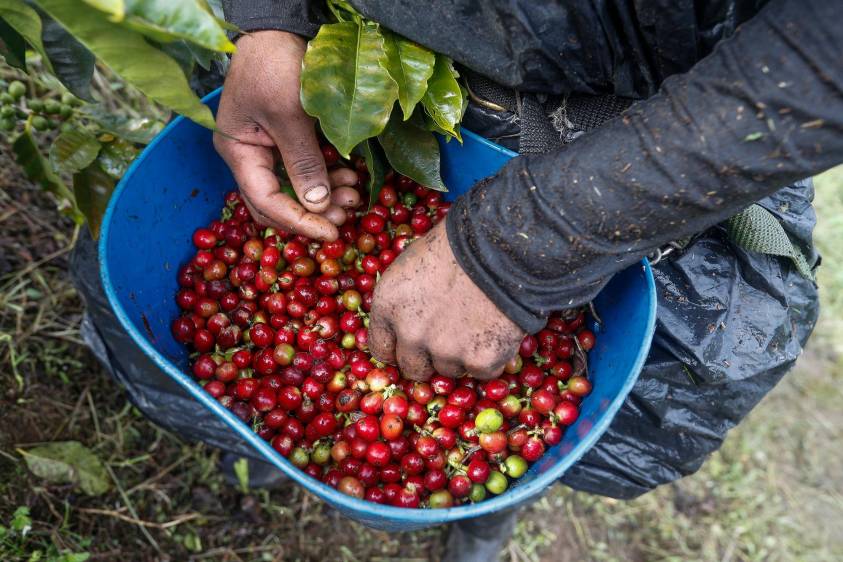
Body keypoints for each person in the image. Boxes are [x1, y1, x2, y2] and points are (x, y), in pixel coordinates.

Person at [70, 0, 839, 559]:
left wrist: (510, 255)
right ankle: (294, 463)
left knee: (609, 380)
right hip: (383, 47)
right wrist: (270, 17)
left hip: (659, 132)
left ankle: (478, 522)